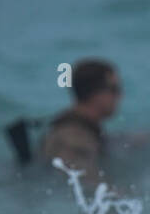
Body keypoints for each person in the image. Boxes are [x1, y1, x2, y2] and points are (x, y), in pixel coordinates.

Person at [39, 58, 122, 186]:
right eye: (114, 89)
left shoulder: (79, 128)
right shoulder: (73, 140)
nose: (120, 96)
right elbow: (84, 181)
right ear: (96, 93)